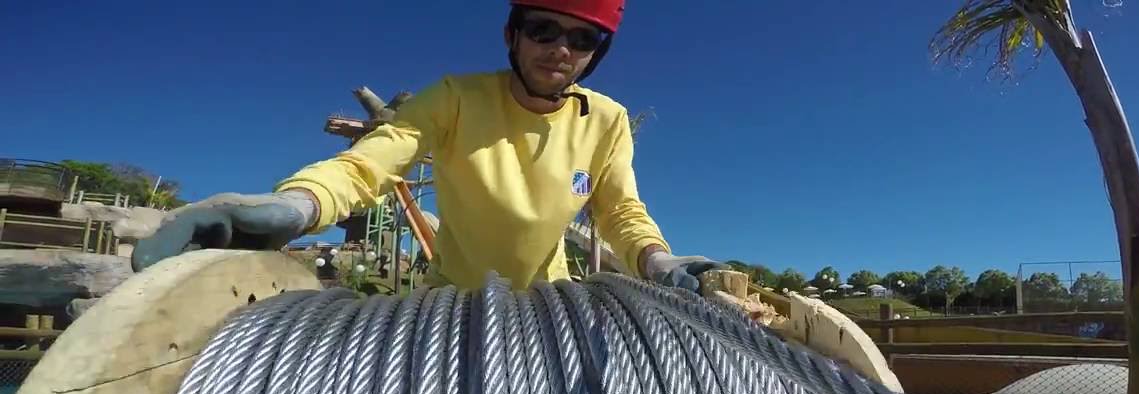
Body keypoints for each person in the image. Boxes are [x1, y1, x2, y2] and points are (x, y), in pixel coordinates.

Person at [129, 0, 724, 293]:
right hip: (447, 310)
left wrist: (658, 261)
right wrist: (298, 207)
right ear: (512, 34)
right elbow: (373, 161)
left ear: (598, 53)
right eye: (543, 29)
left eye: (582, 38)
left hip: (552, 311)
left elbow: (619, 211)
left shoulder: (606, 121)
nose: (560, 49)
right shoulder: (454, 98)